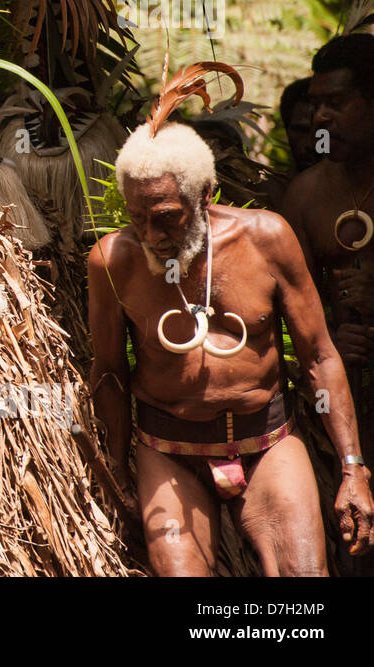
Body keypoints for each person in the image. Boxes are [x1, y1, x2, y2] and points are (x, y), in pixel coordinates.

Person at [89, 67, 373, 576]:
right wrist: (116, 470)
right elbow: (109, 373)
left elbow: (319, 355)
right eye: (138, 217)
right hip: (169, 448)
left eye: (168, 216)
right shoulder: (113, 260)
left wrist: (353, 467)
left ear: (206, 194)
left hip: (267, 441)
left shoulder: (267, 238)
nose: (153, 235)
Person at [283, 36, 374, 519]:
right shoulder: (304, 197)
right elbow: (296, 319)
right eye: (316, 105)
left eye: (336, 103)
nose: (320, 118)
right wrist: (335, 339)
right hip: (349, 399)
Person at [262, 77, 317, 211]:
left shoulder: (357, 196)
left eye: (320, 132)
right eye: (301, 131)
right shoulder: (262, 195)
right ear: (287, 130)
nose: (311, 143)